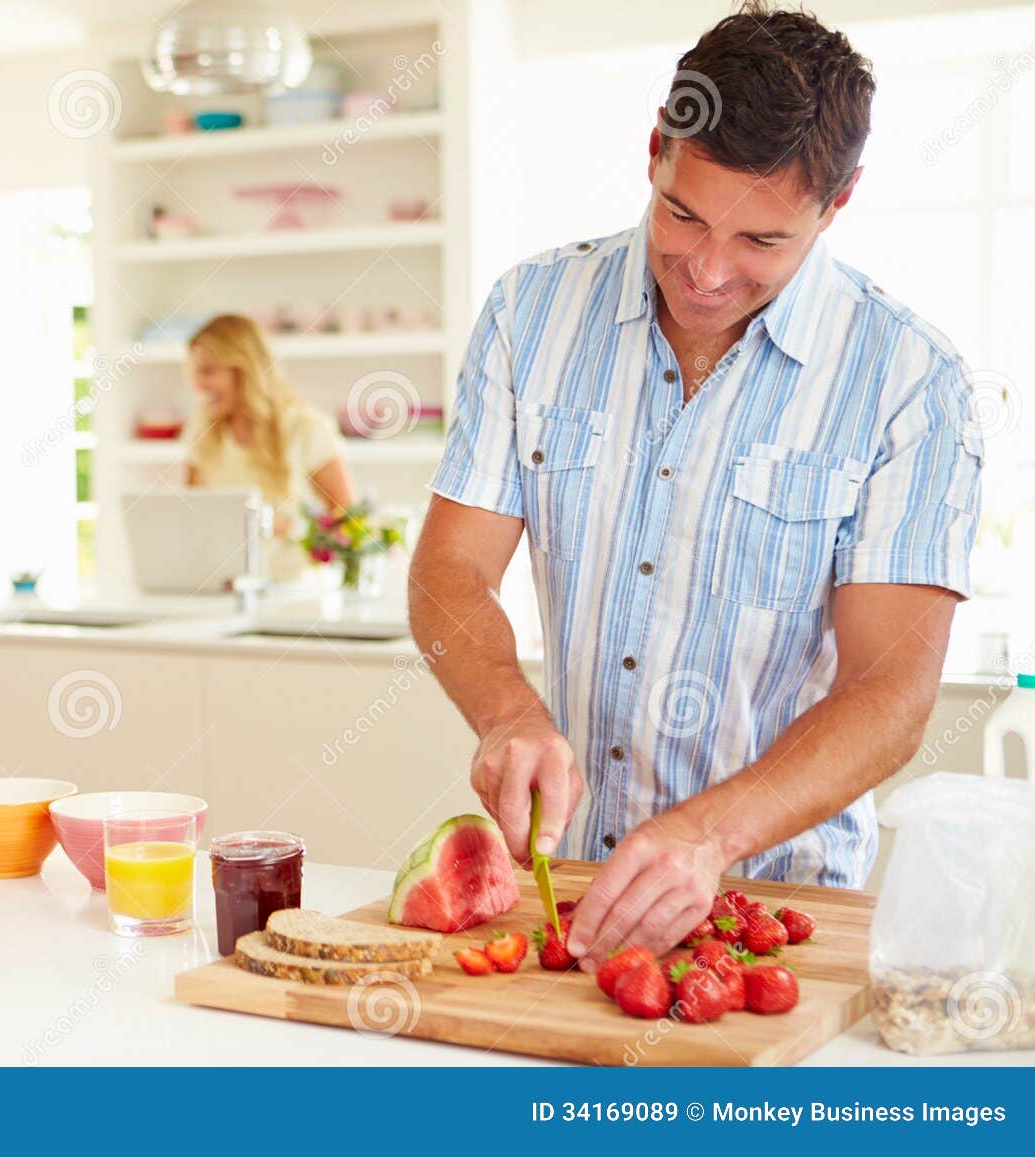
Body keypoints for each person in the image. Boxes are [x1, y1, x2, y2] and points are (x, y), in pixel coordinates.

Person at [408, 4, 983, 973]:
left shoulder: (910, 381)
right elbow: (447, 570)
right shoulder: (530, 313)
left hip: (783, 913)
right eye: (682, 214)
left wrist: (709, 835)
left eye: (760, 240)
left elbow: (890, 690)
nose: (707, 271)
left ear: (835, 205)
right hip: (577, 895)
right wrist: (509, 711)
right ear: (655, 152)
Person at [183, 314, 357, 582]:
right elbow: (191, 515)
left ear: (243, 369)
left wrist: (290, 529)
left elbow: (348, 523)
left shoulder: (305, 427)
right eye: (196, 373)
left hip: (293, 593)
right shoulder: (203, 432)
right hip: (222, 589)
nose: (198, 385)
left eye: (209, 371)